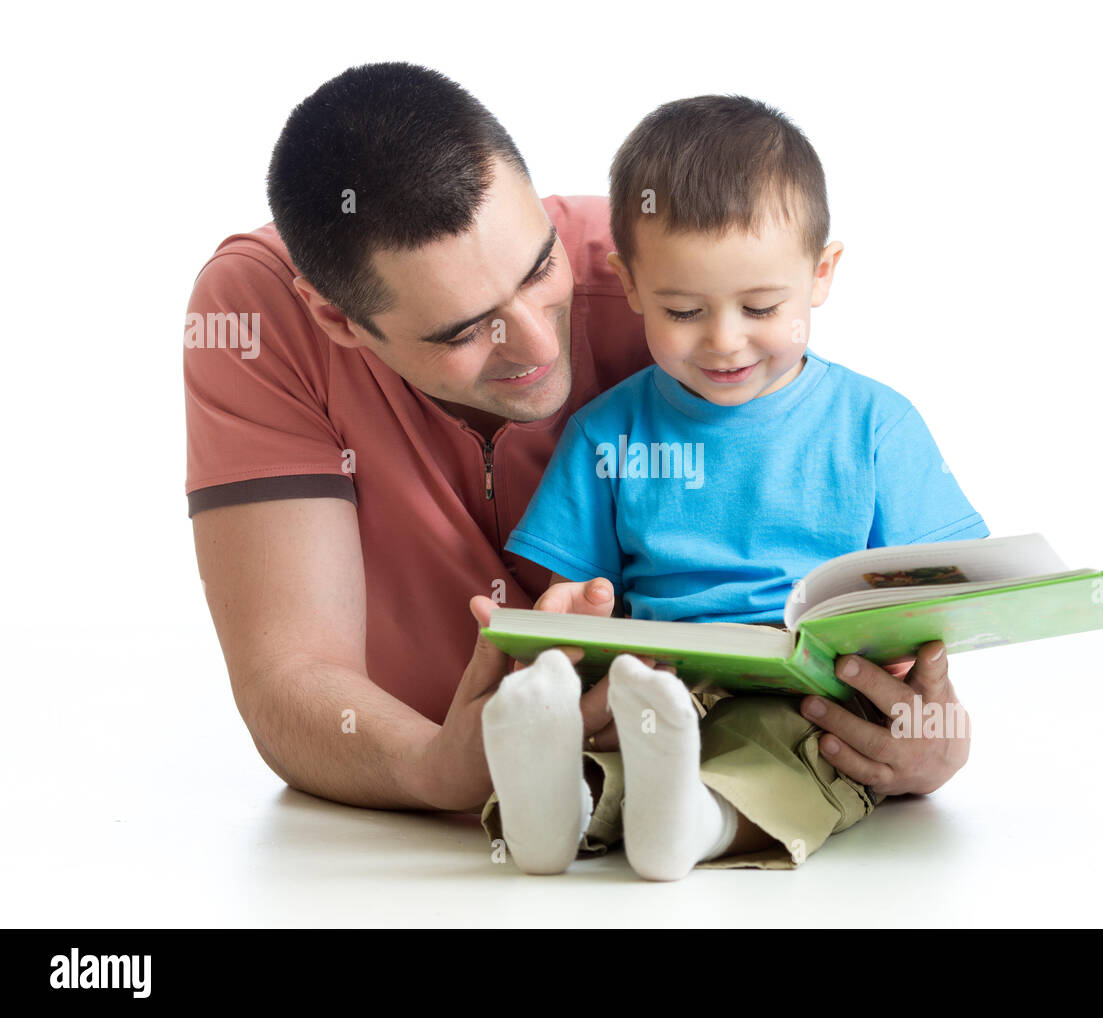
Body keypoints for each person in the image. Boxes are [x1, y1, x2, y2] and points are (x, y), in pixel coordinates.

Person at [183, 62, 974, 850]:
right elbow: (291, 678)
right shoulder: (258, 311)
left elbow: (852, 540)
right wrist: (444, 767)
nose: (535, 348)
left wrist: (925, 736)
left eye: (540, 268)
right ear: (338, 318)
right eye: (462, 331)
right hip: (480, 797)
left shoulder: (676, 269)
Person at [480, 95, 988, 879]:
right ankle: (560, 809)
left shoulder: (873, 425)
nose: (723, 341)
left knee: (791, 757)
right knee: (606, 727)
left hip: (804, 695)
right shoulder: (604, 431)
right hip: (650, 683)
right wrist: (567, 622)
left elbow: (943, 588)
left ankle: (689, 822)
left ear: (821, 276)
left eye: (760, 307)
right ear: (632, 285)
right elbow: (571, 589)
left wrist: (902, 655)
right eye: (684, 310)